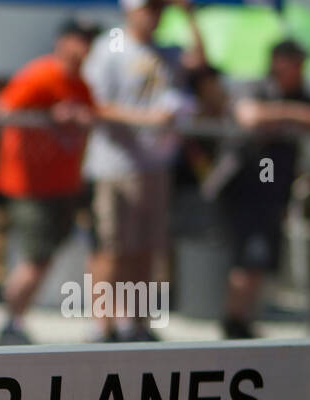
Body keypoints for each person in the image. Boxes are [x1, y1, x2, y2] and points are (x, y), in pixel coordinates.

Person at [82, 0, 203, 342]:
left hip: (155, 167)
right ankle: (101, 326)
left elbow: (202, 63)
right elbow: (95, 104)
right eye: (149, 7)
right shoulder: (109, 47)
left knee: (147, 248)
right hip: (114, 166)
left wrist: (189, 13)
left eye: (160, 8)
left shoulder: (167, 51)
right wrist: (149, 120)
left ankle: (135, 324)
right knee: (111, 249)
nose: (155, 15)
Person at [0, 19, 98, 345]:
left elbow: (93, 116)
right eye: (79, 39)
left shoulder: (81, 84)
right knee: (36, 258)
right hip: (29, 184)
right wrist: (49, 116)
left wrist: (79, 119)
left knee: (46, 256)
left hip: (62, 185)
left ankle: (15, 318)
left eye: (89, 40)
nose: (85, 47)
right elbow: (2, 111)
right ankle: (10, 321)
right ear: (62, 41)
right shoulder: (41, 74)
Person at [216, 40, 310, 339]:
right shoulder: (256, 87)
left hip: (277, 191)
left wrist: (284, 114)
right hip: (247, 187)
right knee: (248, 255)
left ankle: (243, 319)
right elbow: (250, 115)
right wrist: (293, 114)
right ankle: (234, 321)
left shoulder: (302, 93)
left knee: (261, 258)